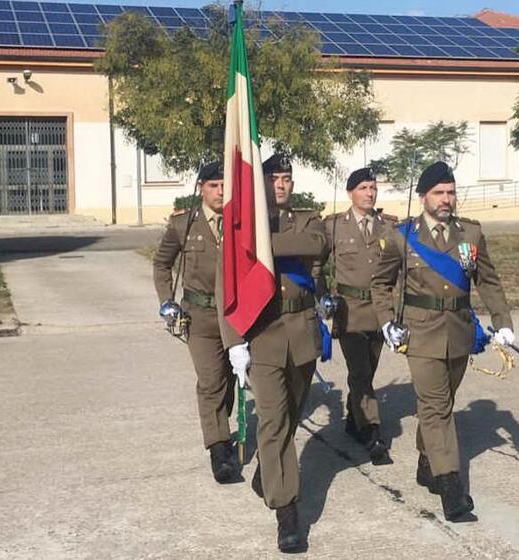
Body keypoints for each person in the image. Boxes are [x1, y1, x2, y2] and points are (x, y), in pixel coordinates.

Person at [370, 161, 516, 521]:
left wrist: (503, 321)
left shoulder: (470, 234)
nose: (446, 199)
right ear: (423, 197)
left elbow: (488, 282)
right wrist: (387, 322)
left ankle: (427, 461)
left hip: (459, 331)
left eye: (451, 192)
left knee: (444, 403)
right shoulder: (403, 236)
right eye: (439, 193)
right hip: (420, 332)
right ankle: (451, 489)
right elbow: (380, 284)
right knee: (434, 407)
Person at [221, 153, 327, 552]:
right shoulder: (240, 227)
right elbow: (225, 288)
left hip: (302, 335)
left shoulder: (307, 219)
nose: (281, 185)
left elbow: (317, 244)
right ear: (259, 183)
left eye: (286, 179)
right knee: (273, 423)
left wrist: (260, 244)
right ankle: (287, 513)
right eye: (273, 178)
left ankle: (269, 472)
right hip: (263, 336)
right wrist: (234, 341)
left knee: (292, 416)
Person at [153, 161, 239, 484]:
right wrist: (166, 301)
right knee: (210, 380)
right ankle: (219, 449)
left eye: (223, 186)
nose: (220, 191)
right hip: (199, 316)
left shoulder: (239, 222)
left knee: (230, 380)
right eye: (214, 185)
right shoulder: (183, 224)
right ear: (201, 187)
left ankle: (222, 423)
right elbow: (162, 264)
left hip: (233, 315)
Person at [322, 167, 396, 464]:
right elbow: (317, 263)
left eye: (373, 187)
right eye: (364, 187)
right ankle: (373, 432)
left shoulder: (389, 226)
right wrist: (321, 296)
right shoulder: (335, 226)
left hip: (380, 311)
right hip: (349, 311)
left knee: (369, 369)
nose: (370, 193)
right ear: (351, 192)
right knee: (361, 372)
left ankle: (354, 419)